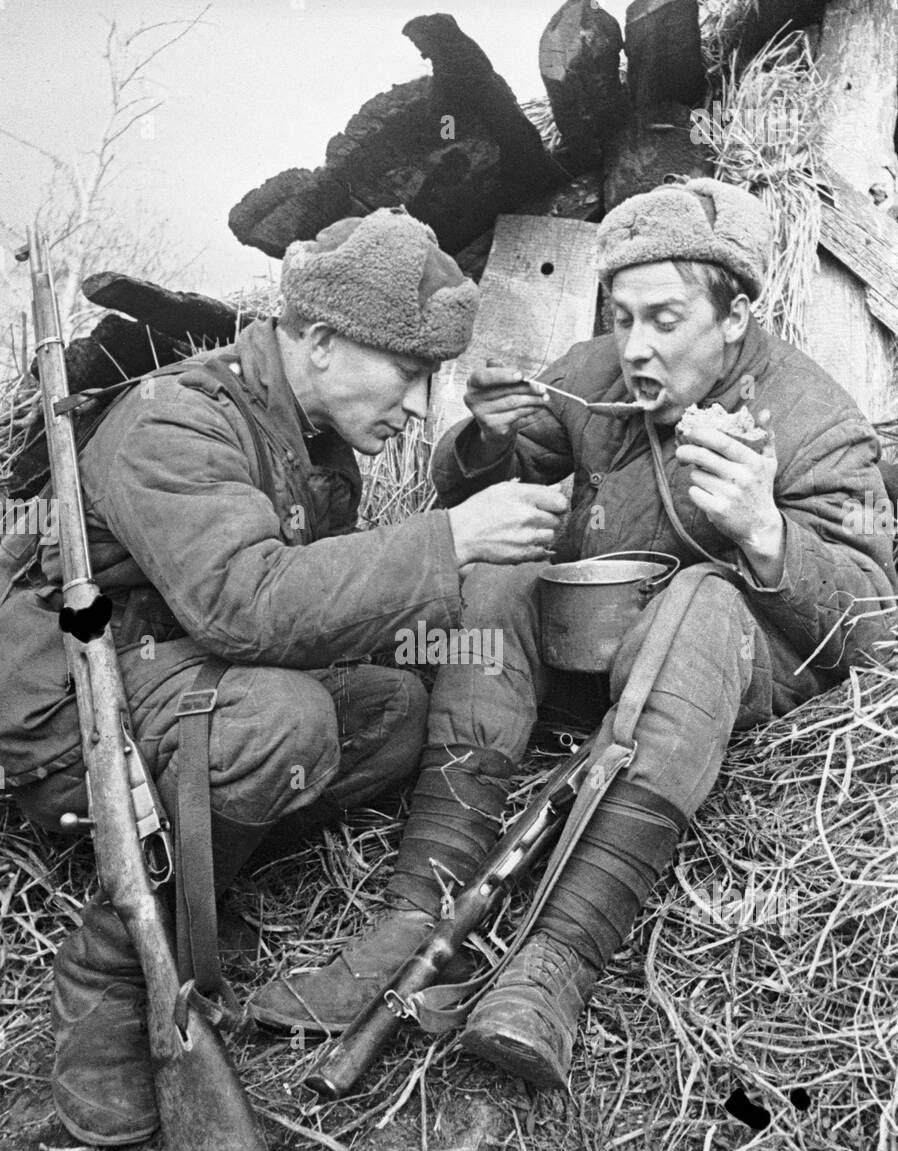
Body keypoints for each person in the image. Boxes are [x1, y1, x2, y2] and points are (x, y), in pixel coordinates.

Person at [253, 179, 898, 1089]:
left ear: (736, 312)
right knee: (500, 578)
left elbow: (876, 630)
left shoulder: (816, 420)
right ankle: (414, 909)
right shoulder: (596, 370)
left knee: (703, 603)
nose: (636, 347)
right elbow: (499, 472)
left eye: (666, 319)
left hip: (713, 678)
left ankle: (555, 964)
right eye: (623, 316)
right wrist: (483, 437)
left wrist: (766, 531)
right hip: (587, 661)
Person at [0, 207, 570, 1143]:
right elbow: (249, 608)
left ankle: (198, 878)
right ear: (317, 339)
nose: (424, 405)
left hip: (174, 674)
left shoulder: (309, 442)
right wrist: (451, 539)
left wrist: (471, 641)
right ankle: (110, 961)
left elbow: (318, 612)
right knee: (288, 723)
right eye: (411, 372)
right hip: (71, 710)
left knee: (388, 712)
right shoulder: (178, 419)